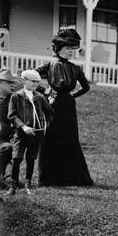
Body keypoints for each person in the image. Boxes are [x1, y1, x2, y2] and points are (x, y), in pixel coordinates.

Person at [35, 27, 94, 187]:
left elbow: (86, 87)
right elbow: (28, 76)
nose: (70, 52)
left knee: (70, 140)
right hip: (51, 105)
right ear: (59, 49)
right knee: (50, 139)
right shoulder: (49, 65)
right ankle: (48, 178)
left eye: (72, 49)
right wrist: (45, 91)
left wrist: (71, 96)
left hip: (68, 107)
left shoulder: (76, 68)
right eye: (67, 48)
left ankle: (71, 178)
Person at [7, 69, 54, 195]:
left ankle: (28, 184)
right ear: (24, 81)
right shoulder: (16, 96)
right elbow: (11, 115)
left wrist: (45, 125)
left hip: (36, 133)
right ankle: (13, 185)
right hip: (22, 133)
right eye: (33, 81)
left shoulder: (39, 97)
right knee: (17, 158)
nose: (35, 84)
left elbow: (50, 112)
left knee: (31, 158)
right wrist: (23, 126)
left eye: (37, 82)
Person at [0, 68, 16, 190]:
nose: (12, 85)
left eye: (13, 82)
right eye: (9, 82)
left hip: (3, 140)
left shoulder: (15, 100)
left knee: (7, 148)